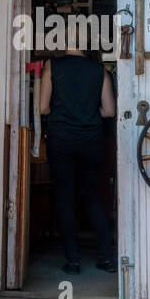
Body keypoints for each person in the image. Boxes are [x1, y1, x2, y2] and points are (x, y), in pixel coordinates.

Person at [38, 47, 116, 274]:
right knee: (93, 198)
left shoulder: (53, 66)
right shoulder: (99, 70)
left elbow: (43, 107)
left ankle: (73, 261)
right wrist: (89, 113)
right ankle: (107, 258)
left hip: (61, 140)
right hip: (91, 141)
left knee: (65, 199)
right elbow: (109, 111)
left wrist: (63, 113)